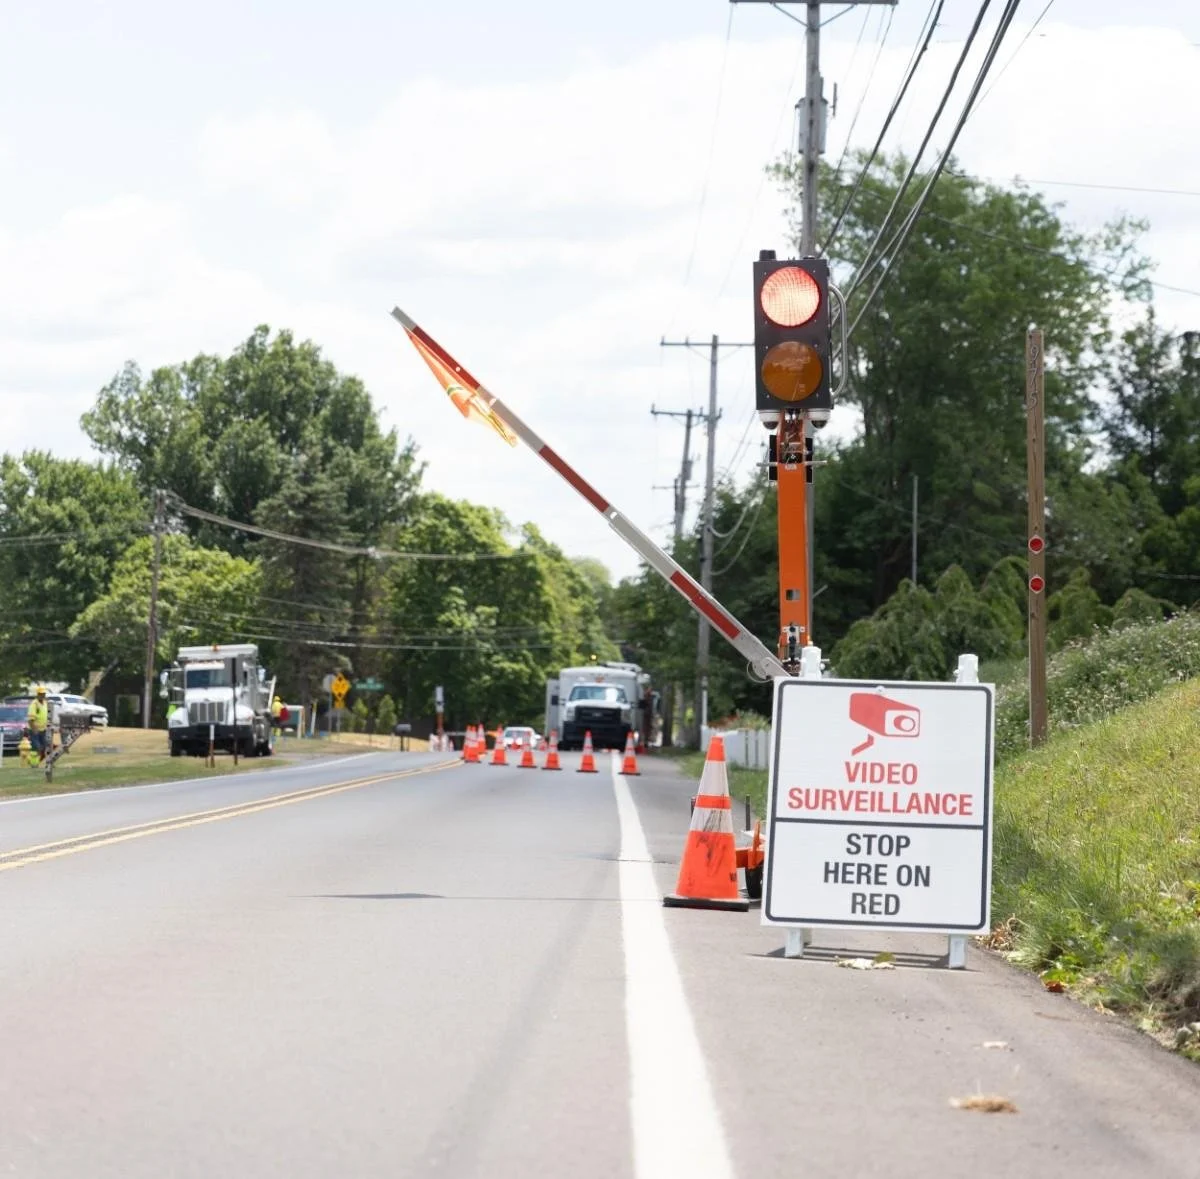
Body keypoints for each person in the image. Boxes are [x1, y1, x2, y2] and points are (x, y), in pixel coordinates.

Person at [26, 686, 50, 764]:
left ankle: (46, 763)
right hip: (35, 730)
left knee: (44, 747)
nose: (42, 695)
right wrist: (34, 729)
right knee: (37, 747)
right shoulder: (34, 704)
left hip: (43, 729)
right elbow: (30, 719)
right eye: (41, 694)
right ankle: (33, 763)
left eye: (43, 694)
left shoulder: (45, 703)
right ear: (37, 694)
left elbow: (45, 715)